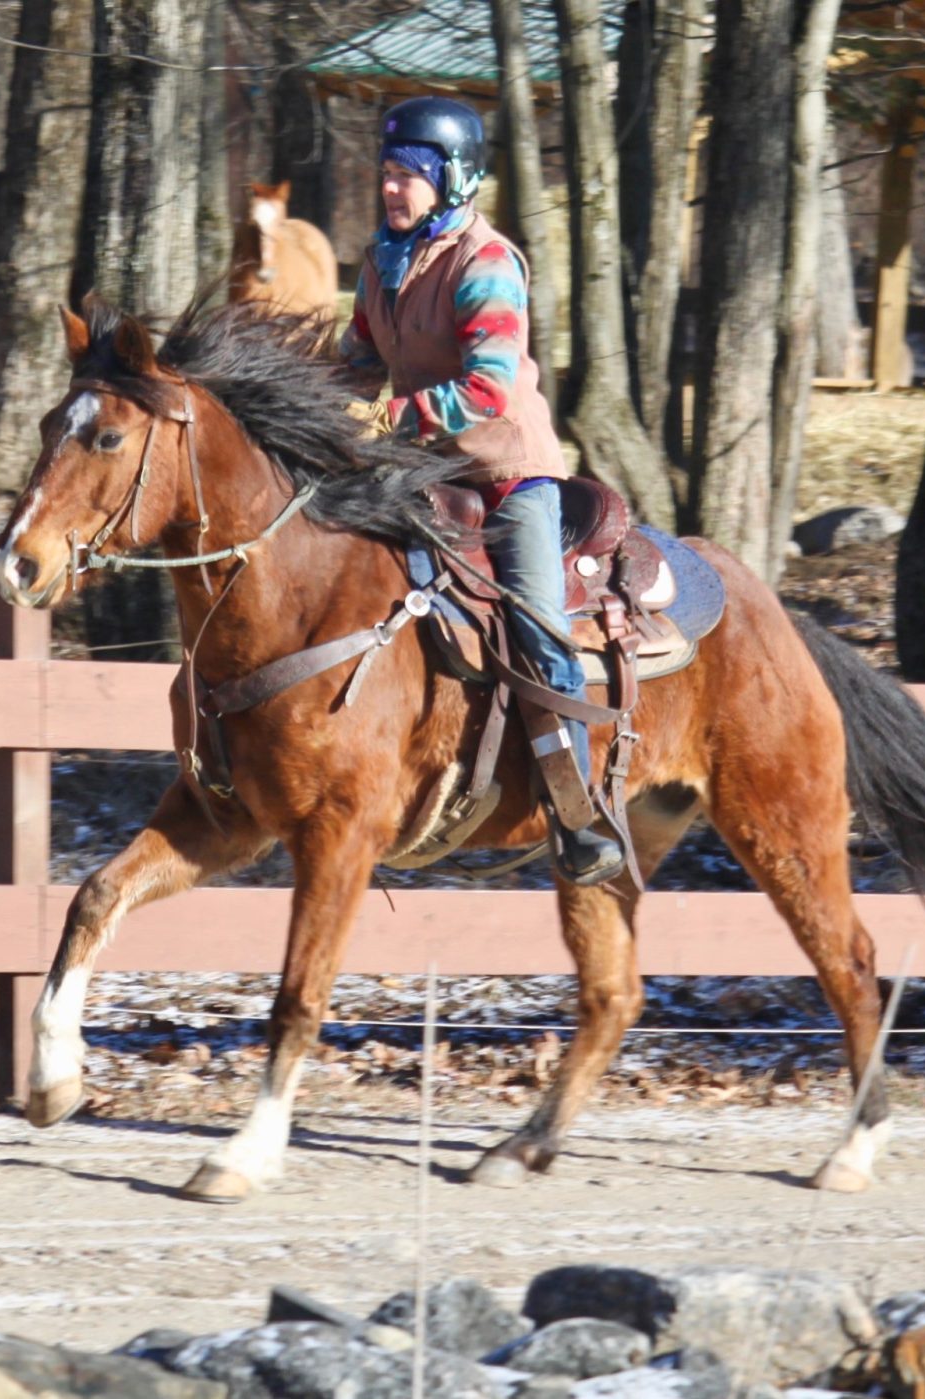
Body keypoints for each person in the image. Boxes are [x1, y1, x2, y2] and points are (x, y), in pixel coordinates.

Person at [339, 95, 624, 886]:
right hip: (421, 469)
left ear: (453, 179)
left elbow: (489, 389)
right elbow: (354, 368)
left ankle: (578, 814)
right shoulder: (380, 262)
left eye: (407, 175)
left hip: (507, 476)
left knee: (537, 626)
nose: (390, 188)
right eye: (386, 173)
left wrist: (387, 417)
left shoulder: (486, 261)